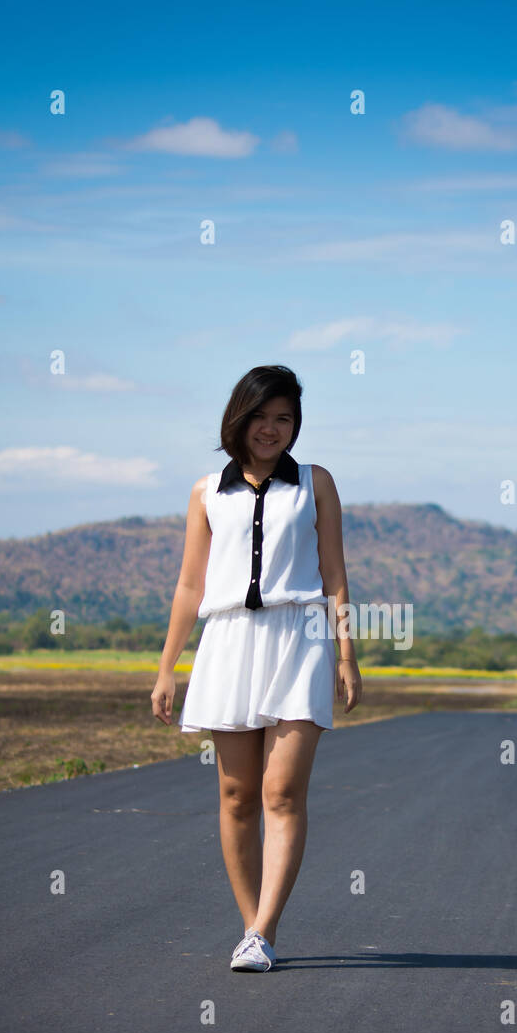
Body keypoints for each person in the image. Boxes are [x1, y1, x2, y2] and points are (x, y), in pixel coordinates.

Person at [151, 365, 361, 972]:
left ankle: (265, 931)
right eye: (262, 417)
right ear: (238, 420)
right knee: (238, 794)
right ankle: (250, 927)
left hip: (300, 638)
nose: (272, 430)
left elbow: (335, 576)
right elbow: (190, 584)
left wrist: (347, 654)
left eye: (284, 419)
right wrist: (168, 668)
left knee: (281, 791)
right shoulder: (205, 492)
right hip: (228, 641)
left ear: (296, 426)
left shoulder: (314, 483)